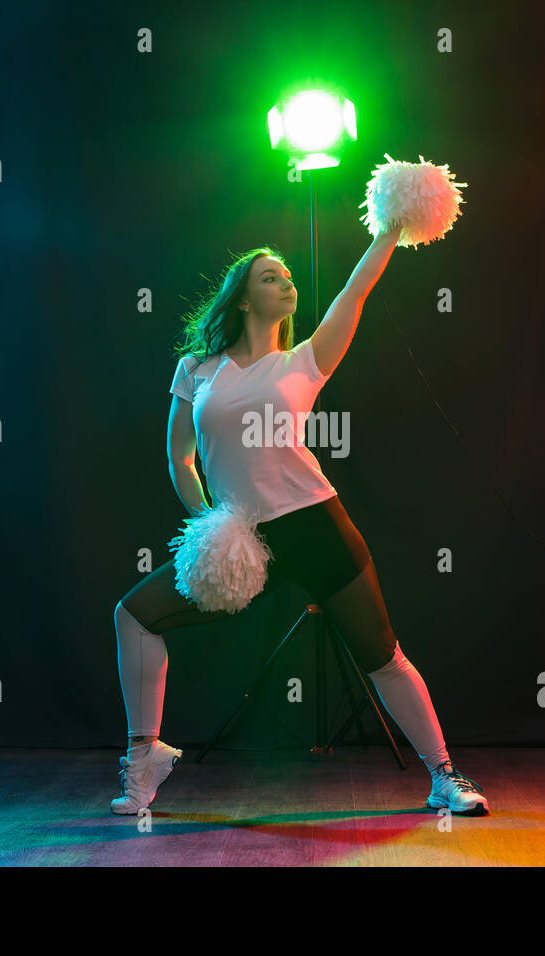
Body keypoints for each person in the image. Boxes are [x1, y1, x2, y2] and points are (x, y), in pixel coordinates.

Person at [112, 226, 488, 817]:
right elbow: (179, 458)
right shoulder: (196, 369)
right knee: (134, 615)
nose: (286, 282)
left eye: (288, 277)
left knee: (383, 655)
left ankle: (445, 775)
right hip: (241, 546)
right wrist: (210, 527)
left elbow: (356, 290)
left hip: (315, 525)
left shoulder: (304, 361)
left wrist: (390, 227)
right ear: (242, 297)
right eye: (270, 276)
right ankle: (144, 758)